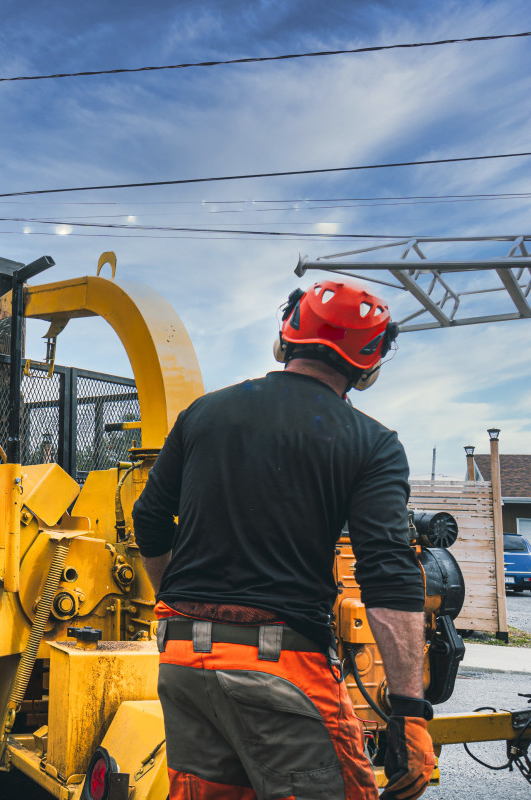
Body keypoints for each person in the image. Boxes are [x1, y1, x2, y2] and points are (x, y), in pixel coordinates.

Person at [131, 279, 433, 800]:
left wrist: (181, 604)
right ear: (369, 367)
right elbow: (388, 575)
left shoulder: (203, 414)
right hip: (281, 670)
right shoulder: (372, 443)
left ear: (284, 340)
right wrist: (409, 712)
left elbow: (149, 521)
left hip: (181, 663)